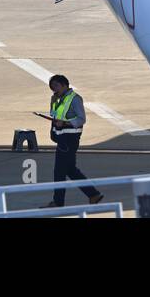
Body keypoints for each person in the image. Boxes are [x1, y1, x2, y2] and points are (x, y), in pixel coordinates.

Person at [42, 74, 105, 209]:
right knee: (71, 170)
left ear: (65, 85)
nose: (54, 89)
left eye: (56, 86)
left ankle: (58, 202)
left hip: (69, 140)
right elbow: (55, 116)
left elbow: (81, 119)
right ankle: (93, 194)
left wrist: (65, 124)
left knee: (59, 172)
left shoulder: (75, 99)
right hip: (61, 138)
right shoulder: (56, 99)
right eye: (52, 87)